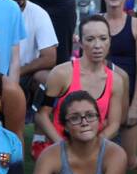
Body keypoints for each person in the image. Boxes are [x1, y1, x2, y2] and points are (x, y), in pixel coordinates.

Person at [34, 13, 129, 155]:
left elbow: (114, 124)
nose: (97, 45)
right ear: (80, 42)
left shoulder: (116, 81)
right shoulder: (61, 73)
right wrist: (63, 147)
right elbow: (42, 115)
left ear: (110, 41)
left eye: (103, 39)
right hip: (61, 146)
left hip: (94, 148)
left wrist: (92, 148)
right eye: (90, 39)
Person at [101, 0, 137, 171]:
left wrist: (136, 105)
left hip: (126, 95)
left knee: (129, 163)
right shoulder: (95, 22)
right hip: (101, 92)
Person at [0, 0, 58, 104]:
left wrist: (18, 71)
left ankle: (40, 117)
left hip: (26, 73)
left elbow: (50, 57)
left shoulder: (38, 13)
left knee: (46, 78)